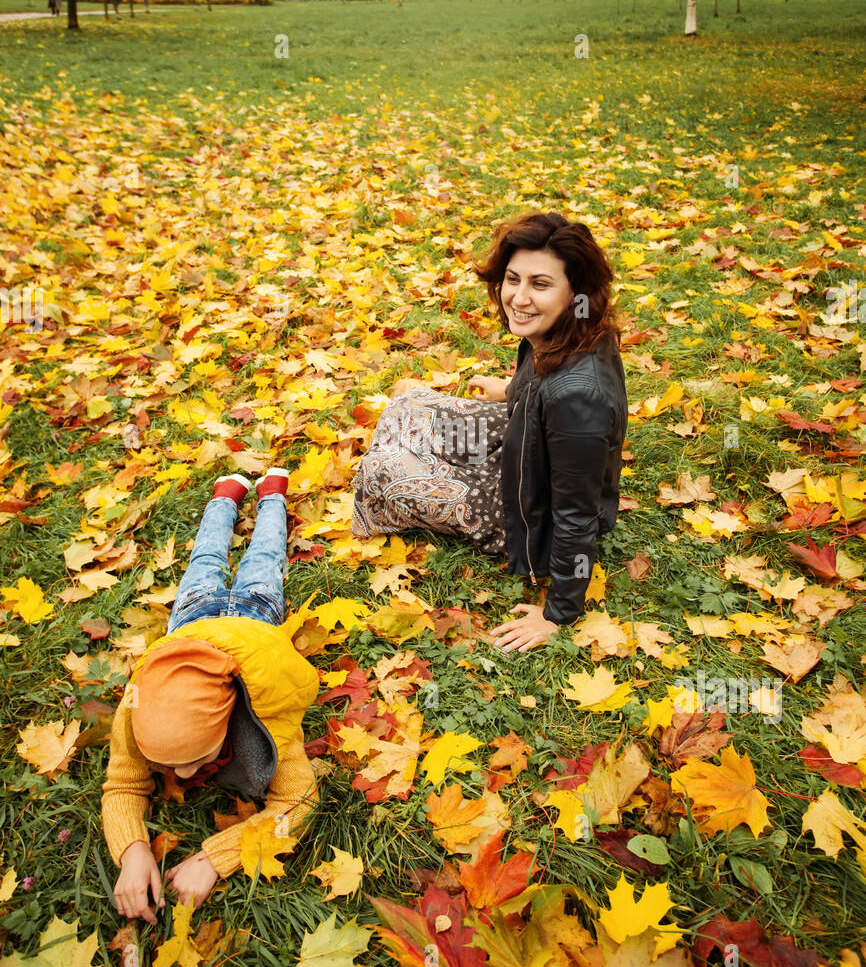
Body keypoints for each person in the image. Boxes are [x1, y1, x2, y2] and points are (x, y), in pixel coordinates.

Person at [351, 210, 628, 653]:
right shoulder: (571, 329)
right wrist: (512, 390)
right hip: (526, 446)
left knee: (380, 470)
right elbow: (539, 372)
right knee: (406, 405)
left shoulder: (579, 398)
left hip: (523, 511)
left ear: (575, 291)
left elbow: (577, 516)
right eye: (512, 279)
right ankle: (421, 457)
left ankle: (414, 468)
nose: (518, 298)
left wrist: (558, 614)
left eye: (540, 284)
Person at [103, 468, 320, 922]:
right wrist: (132, 849)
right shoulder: (137, 707)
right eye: (165, 763)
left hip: (255, 616)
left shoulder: (266, 715)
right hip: (191, 620)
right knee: (204, 558)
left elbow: (299, 802)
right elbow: (122, 782)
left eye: (197, 757)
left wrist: (214, 859)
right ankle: (226, 495)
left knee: (264, 555)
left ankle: (272, 496)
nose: (181, 773)